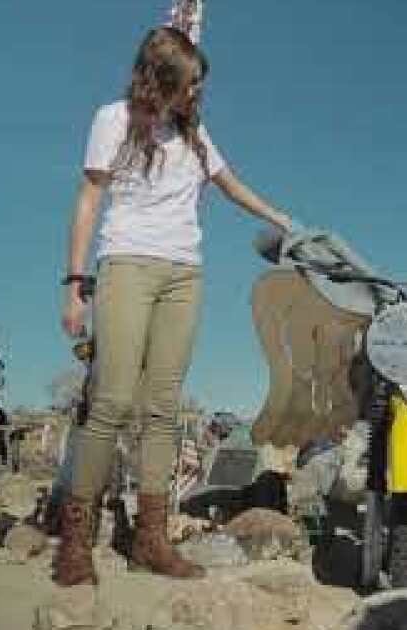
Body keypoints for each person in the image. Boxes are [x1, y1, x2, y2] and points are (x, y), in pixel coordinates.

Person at [56, 27, 298, 587]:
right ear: (159, 80)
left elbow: (231, 185)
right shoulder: (111, 120)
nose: (196, 95)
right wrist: (74, 281)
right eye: (189, 85)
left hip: (184, 275)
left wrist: (278, 218)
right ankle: (74, 543)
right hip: (127, 266)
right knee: (112, 400)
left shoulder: (196, 136)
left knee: (164, 408)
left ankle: (150, 540)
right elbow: (89, 198)